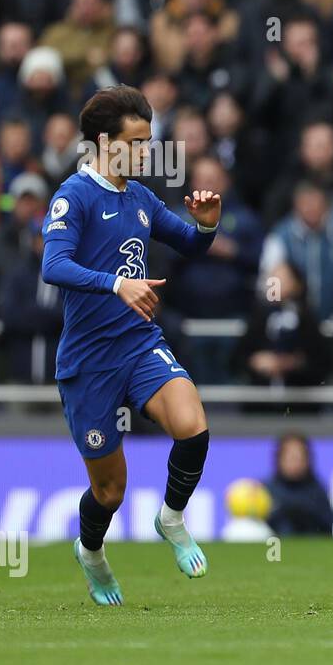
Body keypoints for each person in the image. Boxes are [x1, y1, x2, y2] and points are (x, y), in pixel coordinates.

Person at [41, 85, 221, 606]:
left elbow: (189, 244)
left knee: (193, 425)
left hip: (138, 344)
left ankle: (171, 518)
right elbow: (53, 265)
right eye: (136, 142)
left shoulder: (140, 198)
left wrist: (207, 226)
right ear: (105, 142)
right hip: (89, 362)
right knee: (110, 491)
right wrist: (116, 283)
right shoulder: (74, 196)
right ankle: (91, 553)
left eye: (148, 141)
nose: (146, 152)